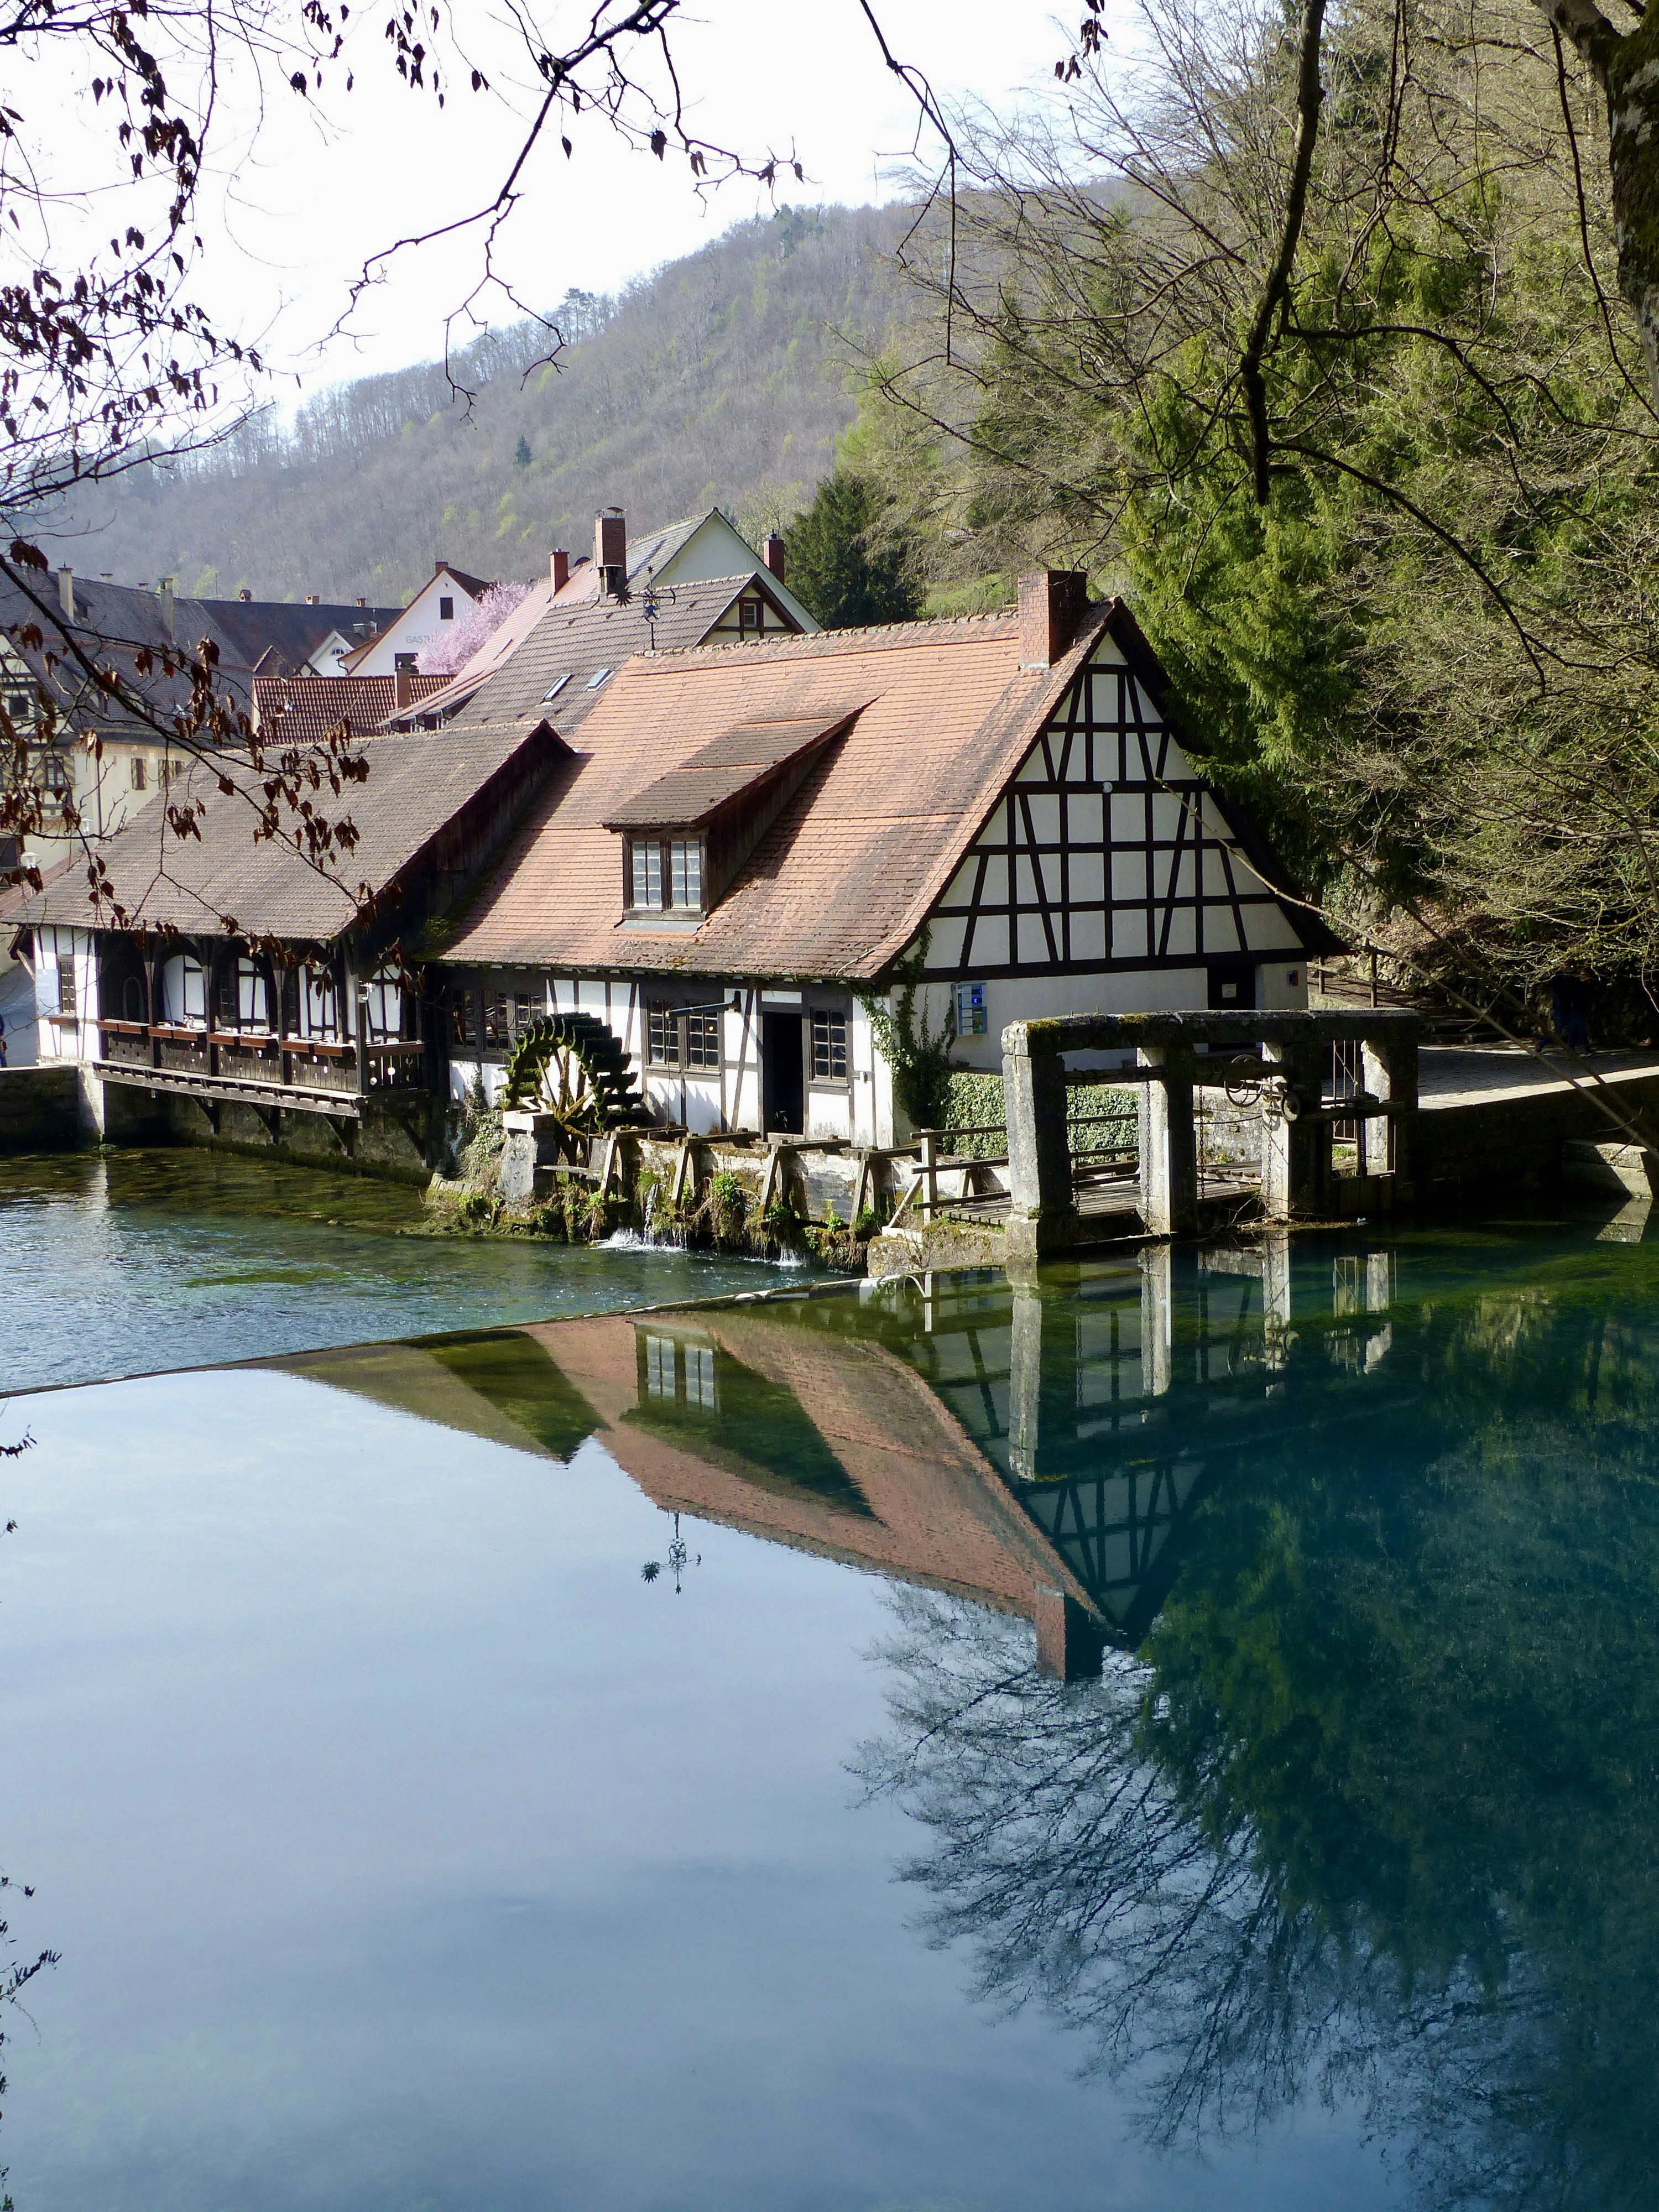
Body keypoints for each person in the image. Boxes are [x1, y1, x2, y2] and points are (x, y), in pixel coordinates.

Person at [1551, 968, 1592, 1053]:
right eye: (1582, 974)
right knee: (1582, 1029)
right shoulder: (1578, 984)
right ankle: (1587, 1049)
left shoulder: (1585, 984)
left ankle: (1571, 1048)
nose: (1583, 977)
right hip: (1575, 1009)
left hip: (1579, 1009)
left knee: (1574, 1030)